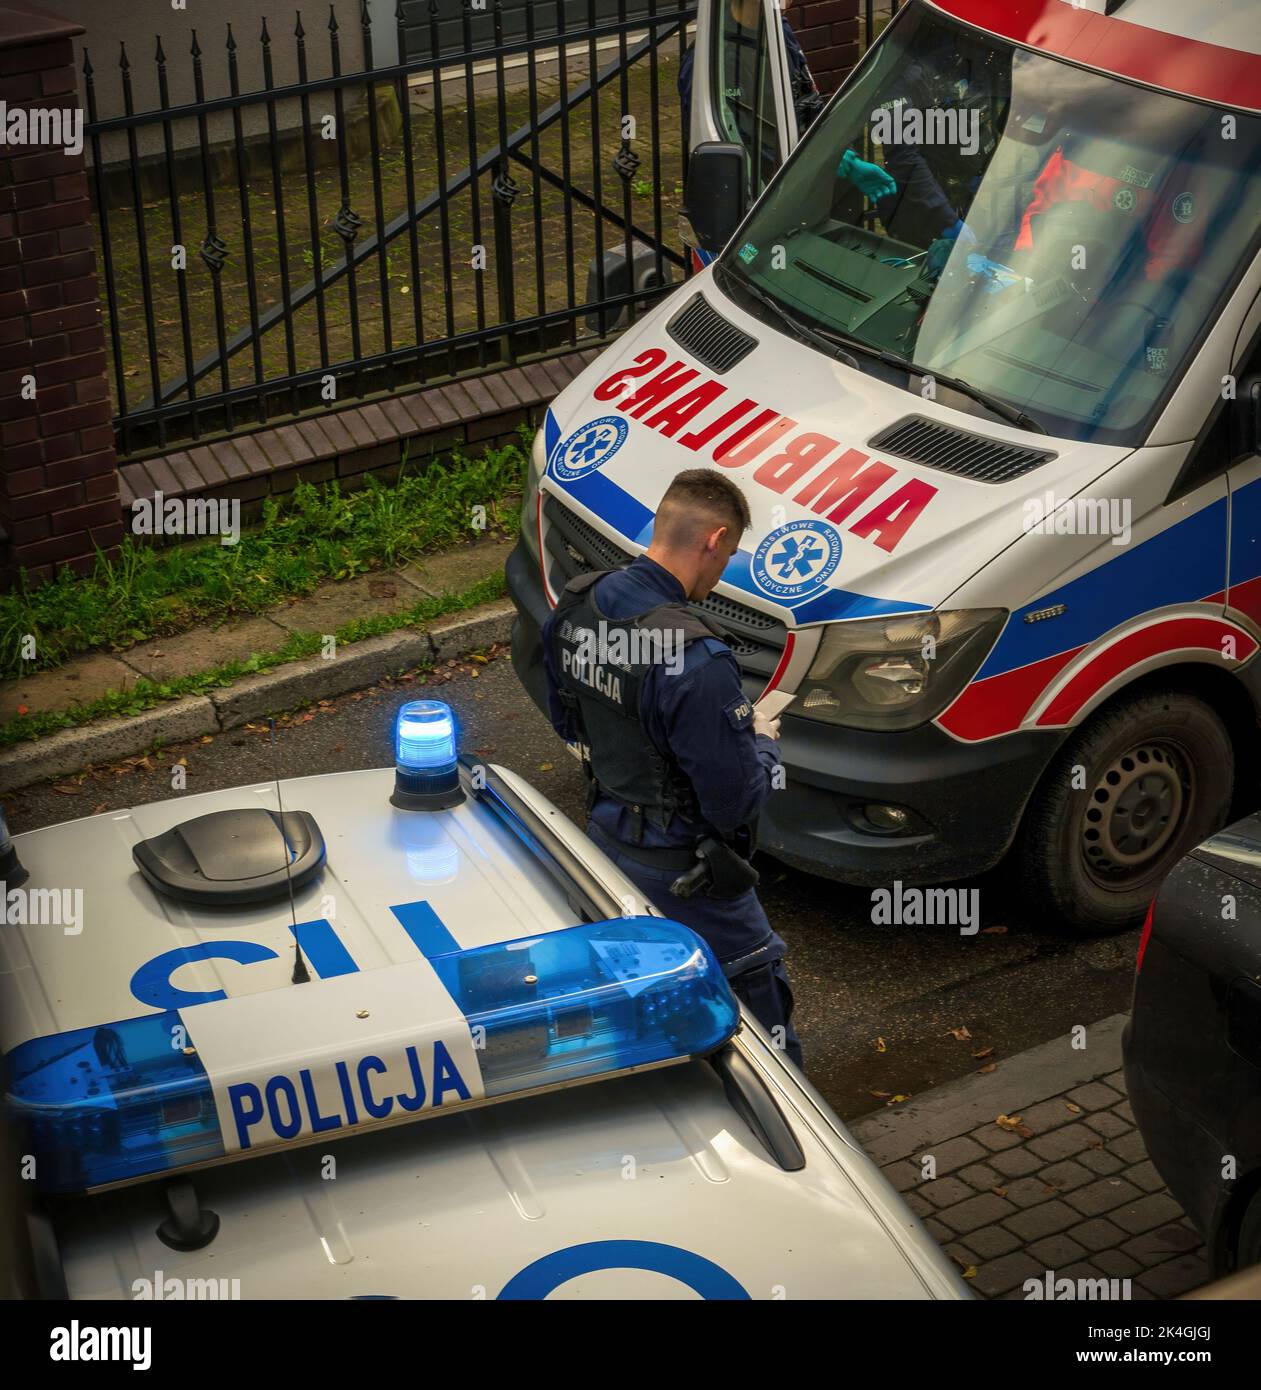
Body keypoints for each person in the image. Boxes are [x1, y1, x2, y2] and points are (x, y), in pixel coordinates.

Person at [541, 469, 803, 1068]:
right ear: (713, 540)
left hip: (605, 846)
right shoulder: (695, 656)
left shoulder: (579, 604)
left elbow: (567, 718)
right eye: (730, 554)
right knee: (765, 1031)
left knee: (639, 1012)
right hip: (689, 877)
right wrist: (761, 742)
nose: (722, 572)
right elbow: (734, 802)